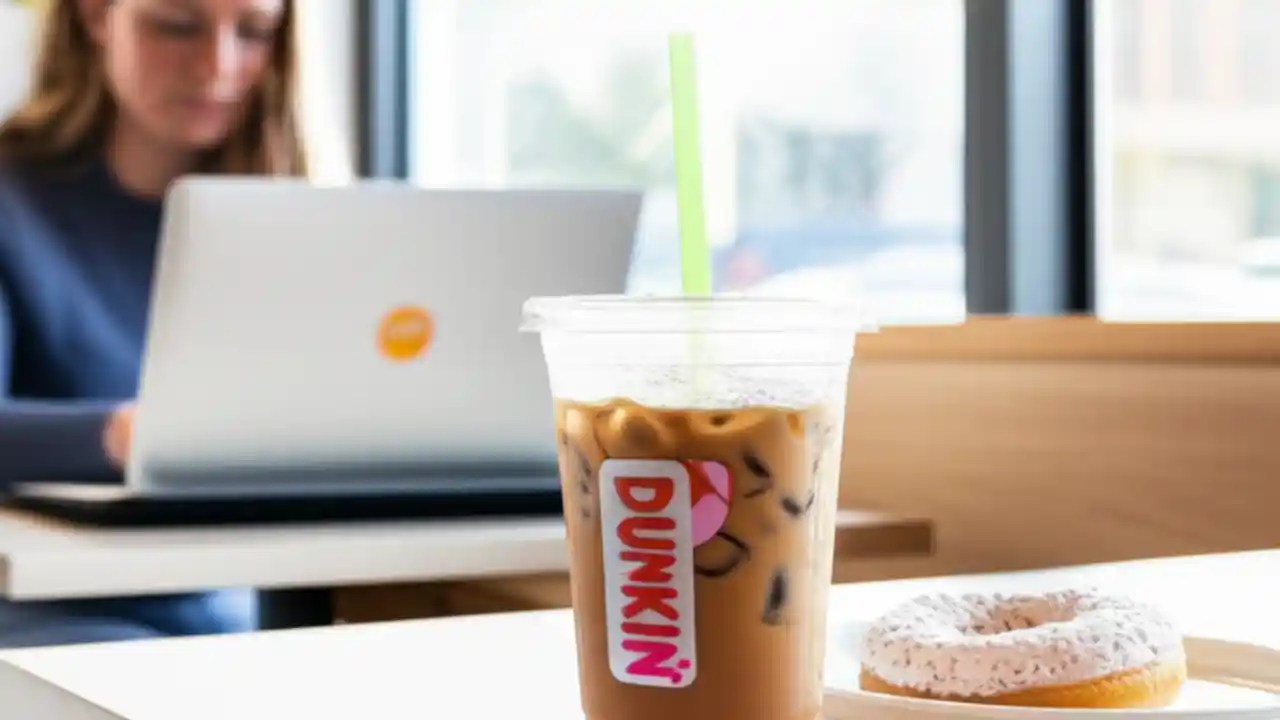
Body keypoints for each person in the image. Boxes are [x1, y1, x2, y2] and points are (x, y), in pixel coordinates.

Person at [0, 0, 305, 647]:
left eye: (253, 33)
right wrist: (123, 435)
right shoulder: (12, 200)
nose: (218, 67)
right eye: (177, 24)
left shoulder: (291, 216)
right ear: (95, 16)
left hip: (230, 617)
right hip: (46, 619)